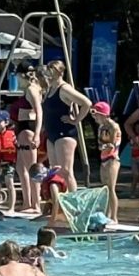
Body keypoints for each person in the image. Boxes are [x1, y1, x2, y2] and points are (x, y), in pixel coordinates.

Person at [40, 60, 91, 189]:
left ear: (60, 72)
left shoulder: (64, 88)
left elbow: (86, 103)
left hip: (64, 133)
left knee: (66, 171)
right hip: (51, 133)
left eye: (52, 70)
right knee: (55, 171)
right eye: (48, 69)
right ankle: (60, 201)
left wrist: (76, 120)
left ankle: (74, 202)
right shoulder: (50, 88)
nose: (49, 73)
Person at [15, 68, 45, 212]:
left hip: (28, 129)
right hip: (23, 128)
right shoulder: (30, 88)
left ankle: (36, 204)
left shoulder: (32, 90)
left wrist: (37, 134)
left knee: (32, 168)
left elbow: (39, 112)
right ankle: (27, 202)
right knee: (21, 168)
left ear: (22, 75)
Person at [93, 102, 123, 222]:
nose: (95, 118)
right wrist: (104, 146)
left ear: (103, 115)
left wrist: (105, 146)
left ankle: (114, 217)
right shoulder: (101, 127)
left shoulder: (114, 126)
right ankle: (107, 214)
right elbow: (100, 144)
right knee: (105, 188)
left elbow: (113, 144)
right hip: (104, 158)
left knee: (111, 188)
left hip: (112, 159)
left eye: (96, 115)